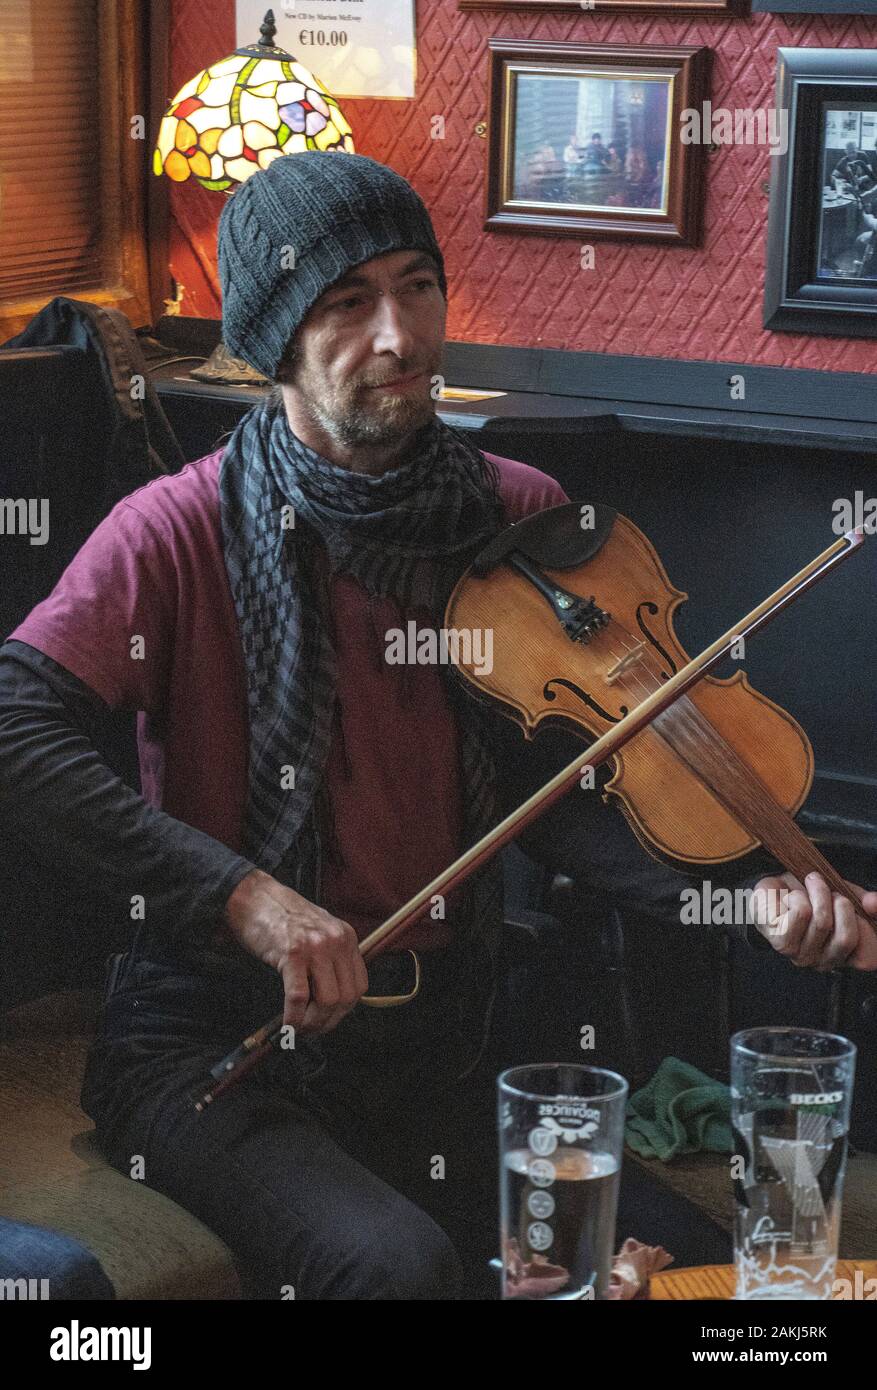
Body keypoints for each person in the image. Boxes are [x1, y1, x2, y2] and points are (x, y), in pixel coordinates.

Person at [1, 153, 874, 1301]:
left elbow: (570, 799)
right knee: (397, 1267)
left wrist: (748, 896)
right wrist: (244, 897)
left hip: (445, 1046)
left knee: (687, 1270)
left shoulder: (516, 519)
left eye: (418, 286)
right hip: (214, 1047)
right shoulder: (172, 531)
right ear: (273, 338)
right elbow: (18, 726)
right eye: (346, 302)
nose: (401, 336)